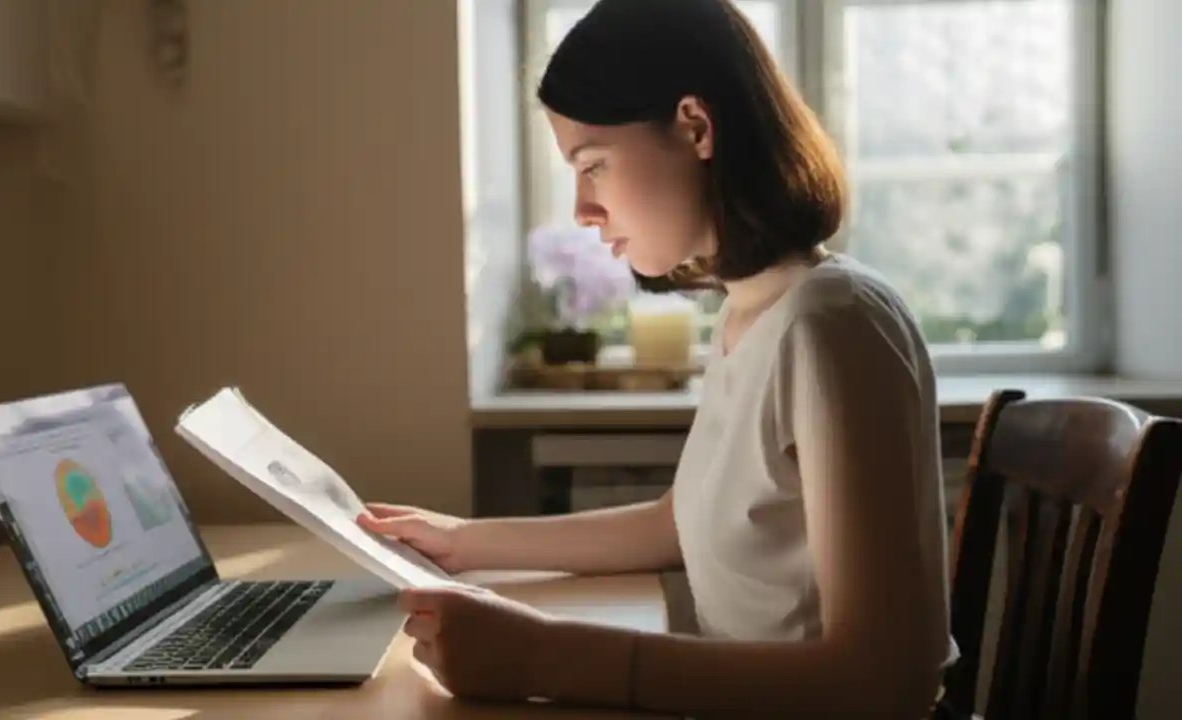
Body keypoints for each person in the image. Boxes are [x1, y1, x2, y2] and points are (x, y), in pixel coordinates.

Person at [357, 0, 960, 716]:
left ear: (696, 127)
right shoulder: (750, 312)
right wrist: (463, 543)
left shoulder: (833, 325)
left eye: (594, 166)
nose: (583, 209)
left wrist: (547, 655)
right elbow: (686, 522)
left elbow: (885, 682)